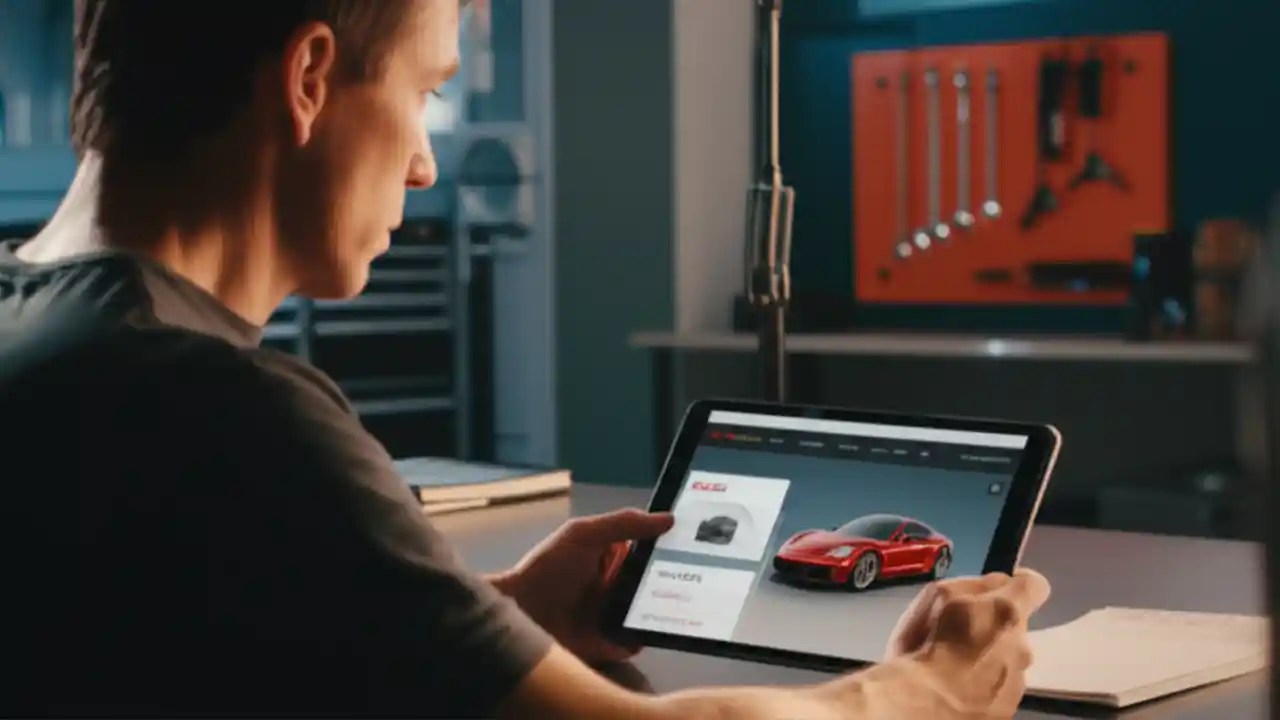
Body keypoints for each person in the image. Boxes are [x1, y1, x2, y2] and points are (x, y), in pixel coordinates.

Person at [0, 1, 1051, 717]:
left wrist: (488, 620)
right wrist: (930, 686)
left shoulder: (42, 331)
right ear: (311, 76)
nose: (421, 162)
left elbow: (192, 637)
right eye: (424, 91)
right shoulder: (225, 410)